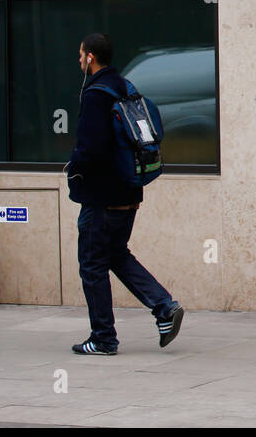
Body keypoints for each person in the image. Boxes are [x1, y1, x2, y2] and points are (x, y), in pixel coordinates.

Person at [67, 32, 183, 355]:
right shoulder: (126, 87)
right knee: (116, 254)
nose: (79, 60)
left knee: (92, 265)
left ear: (90, 57)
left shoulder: (95, 94)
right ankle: (164, 307)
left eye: (80, 54)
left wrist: (74, 168)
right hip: (130, 193)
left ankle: (103, 337)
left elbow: (91, 149)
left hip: (101, 198)